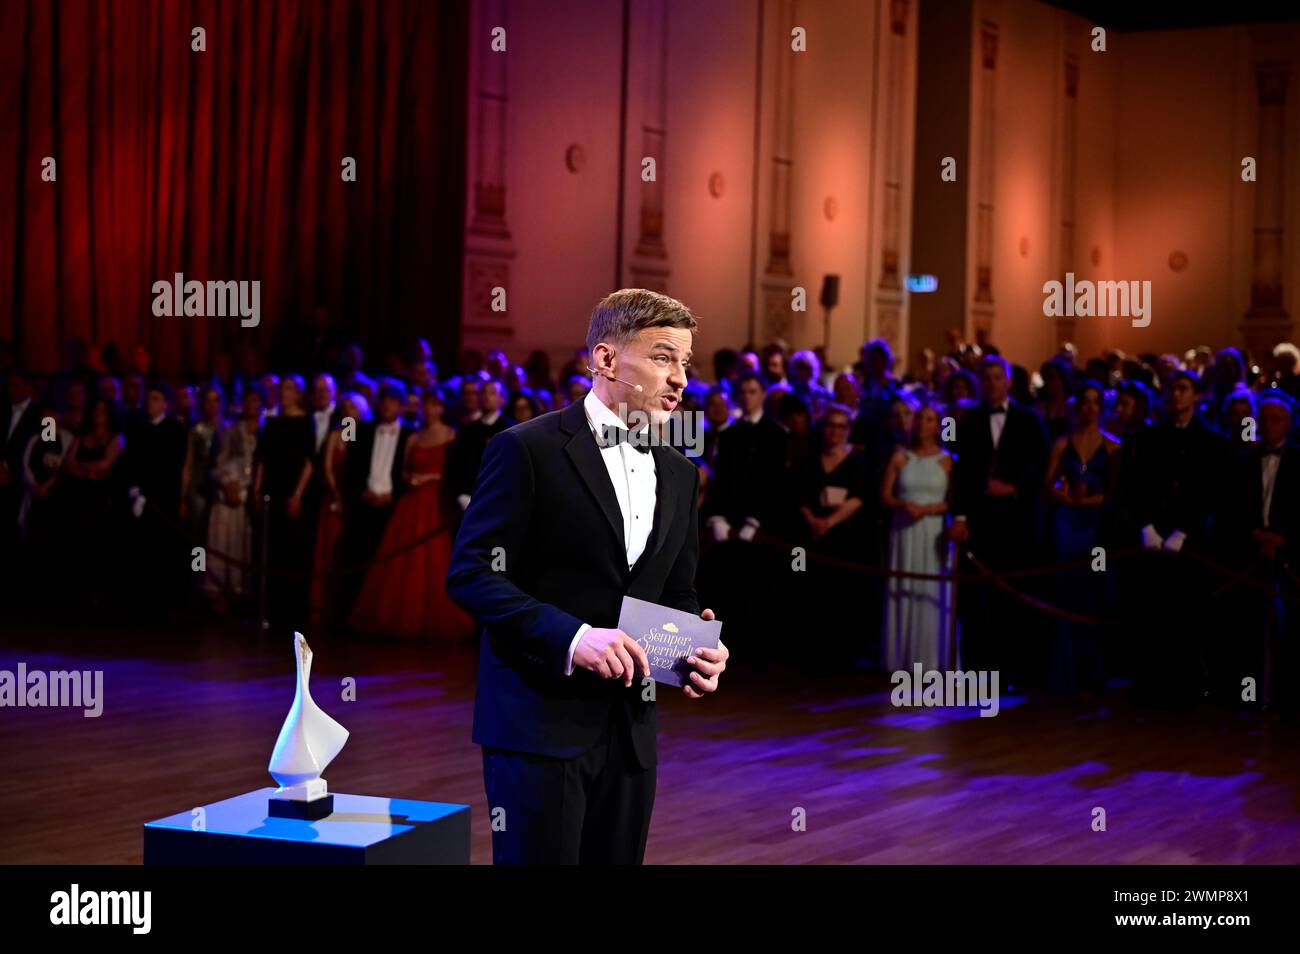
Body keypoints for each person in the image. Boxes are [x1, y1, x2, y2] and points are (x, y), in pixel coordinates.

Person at [447, 288, 729, 865]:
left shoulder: (681, 473)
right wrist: (574, 638)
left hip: (631, 735)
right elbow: (472, 573)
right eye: (662, 357)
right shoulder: (524, 450)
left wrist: (694, 651)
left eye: (685, 363)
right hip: (537, 726)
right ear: (605, 360)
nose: (680, 379)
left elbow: (675, 595)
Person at [950, 355, 1049, 688]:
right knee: (979, 598)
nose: (992, 383)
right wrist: (960, 516)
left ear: (1008, 381)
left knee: (1014, 596)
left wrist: (1014, 488)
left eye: (997, 377)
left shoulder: (1030, 420)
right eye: (986, 377)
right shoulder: (969, 421)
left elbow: (1041, 467)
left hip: (1017, 521)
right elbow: (961, 473)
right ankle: (980, 670)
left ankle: (1014, 670)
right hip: (980, 521)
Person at [350, 392, 475, 641]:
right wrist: (411, 480)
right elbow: (404, 471)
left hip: (437, 503)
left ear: (442, 409)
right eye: (426, 406)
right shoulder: (413, 437)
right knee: (401, 560)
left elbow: (454, 472)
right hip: (411, 503)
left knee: (434, 559)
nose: (429, 411)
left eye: (434, 406)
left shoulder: (451, 435)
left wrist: (429, 478)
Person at [1043, 381, 1120, 698]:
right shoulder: (1062, 445)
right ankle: (1065, 673)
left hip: (1095, 526)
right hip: (1067, 523)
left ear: (1102, 407)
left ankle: (1093, 673)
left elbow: (1115, 493)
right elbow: (1046, 486)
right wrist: (1063, 494)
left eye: (1094, 402)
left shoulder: (1114, 447)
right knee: (1065, 594)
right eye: (1084, 402)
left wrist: (1090, 501)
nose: (1089, 408)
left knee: (1092, 594)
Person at [881, 403, 957, 672]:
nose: (923, 424)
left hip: (933, 529)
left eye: (930, 419)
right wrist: (904, 506)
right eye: (920, 418)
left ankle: (931, 660)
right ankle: (901, 658)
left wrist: (928, 509)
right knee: (905, 584)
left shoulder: (947, 460)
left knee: (930, 588)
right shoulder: (900, 457)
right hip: (904, 529)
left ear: (938, 425)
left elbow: (954, 501)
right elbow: (885, 495)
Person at [339, 382, 413, 616]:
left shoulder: (411, 434)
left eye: (393, 401)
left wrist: (395, 496)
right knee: (359, 561)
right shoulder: (362, 430)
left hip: (395, 508)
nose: (387, 405)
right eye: (384, 400)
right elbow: (349, 467)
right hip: (365, 505)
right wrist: (363, 493)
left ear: (402, 406)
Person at [253, 374, 315, 634]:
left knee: (293, 549)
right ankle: (271, 611)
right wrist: (256, 489)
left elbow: (308, 462)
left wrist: (298, 494)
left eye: (290, 388)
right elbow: (263, 458)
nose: (284, 393)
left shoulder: (304, 423)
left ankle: (293, 612)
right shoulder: (271, 421)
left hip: (293, 491)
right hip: (273, 491)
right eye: (283, 388)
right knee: (271, 550)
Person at [205, 385, 264, 608]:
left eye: (256, 400)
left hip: (250, 496)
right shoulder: (230, 430)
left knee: (244, 544)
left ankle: (242, 594)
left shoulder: (266, 430)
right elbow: (218, 464)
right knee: (223, 543)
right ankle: (219, 593)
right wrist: (227, 483)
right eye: (248, 400)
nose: (252, 405)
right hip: (228, 493)